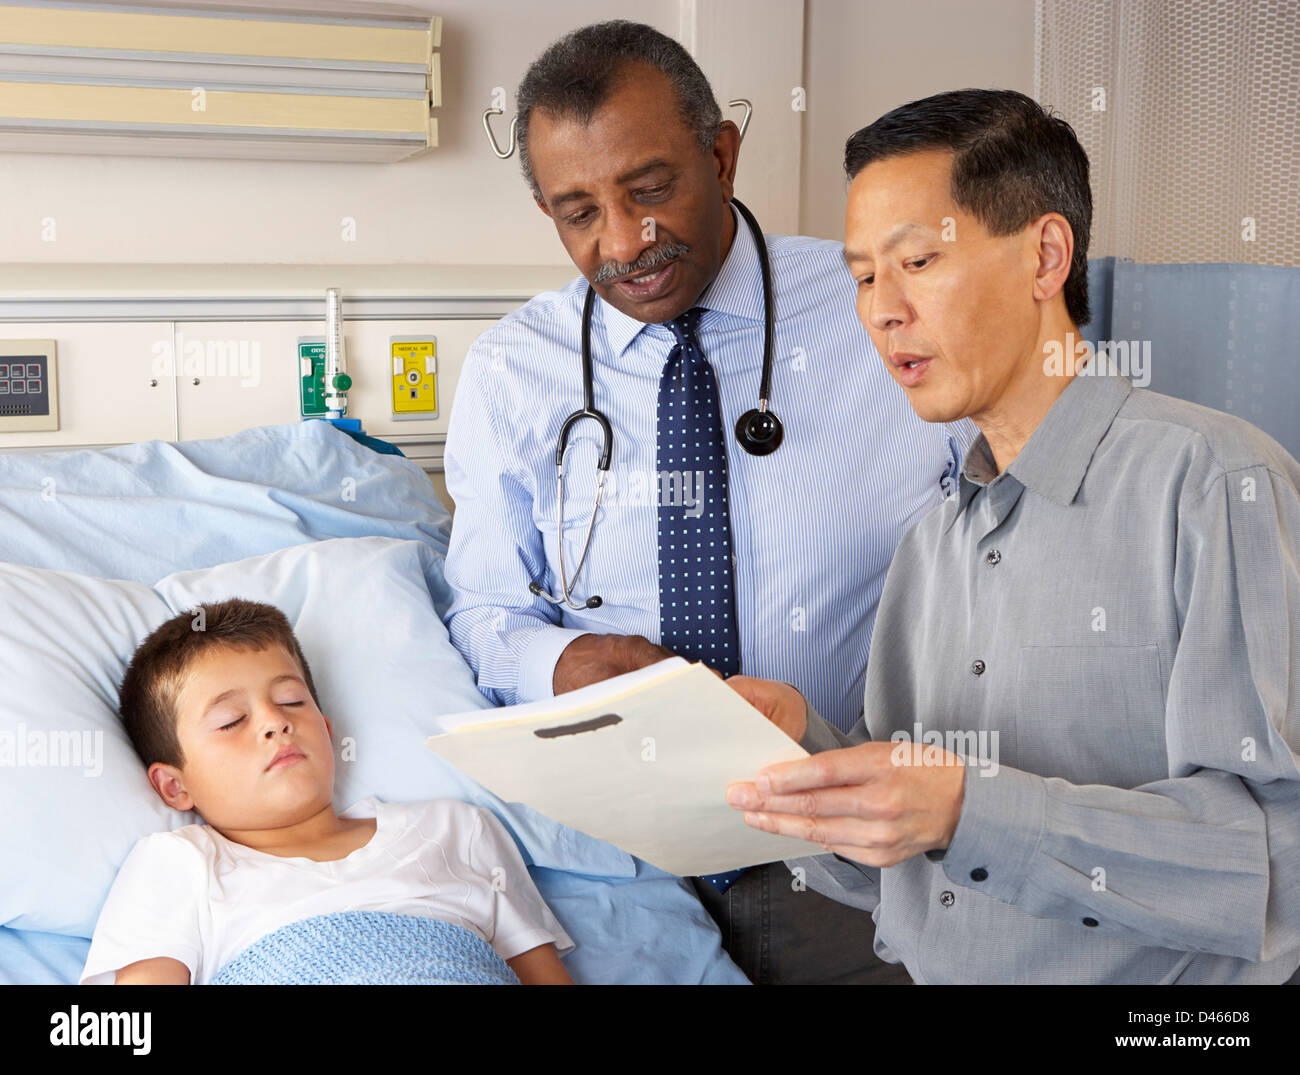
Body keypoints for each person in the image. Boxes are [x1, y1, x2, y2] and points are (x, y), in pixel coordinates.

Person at [722, 87, 1300, 984]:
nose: (881, 309)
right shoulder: (929, 545)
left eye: (918, 260)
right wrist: (809, 753)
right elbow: (908, 873)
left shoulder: (1214, 484)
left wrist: (970, 810)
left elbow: (1281, 858)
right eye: (864, 276)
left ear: (1045, 254)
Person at [441, 19, 977, 985]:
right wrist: (561, 663)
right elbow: (482, 611)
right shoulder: (509, 372)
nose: (624, 243)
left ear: (722, 152)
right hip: (613, 856)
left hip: (843, 837)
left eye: (651, 191)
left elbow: (1009, 542)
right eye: (577, 212)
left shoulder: (877, 306)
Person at [79, 598, 574, 986]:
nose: (276, 722)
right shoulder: (179, 863)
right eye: (232, 721)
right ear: (174, 785)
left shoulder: (455, 828)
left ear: (327, 728)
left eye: (292, 701)